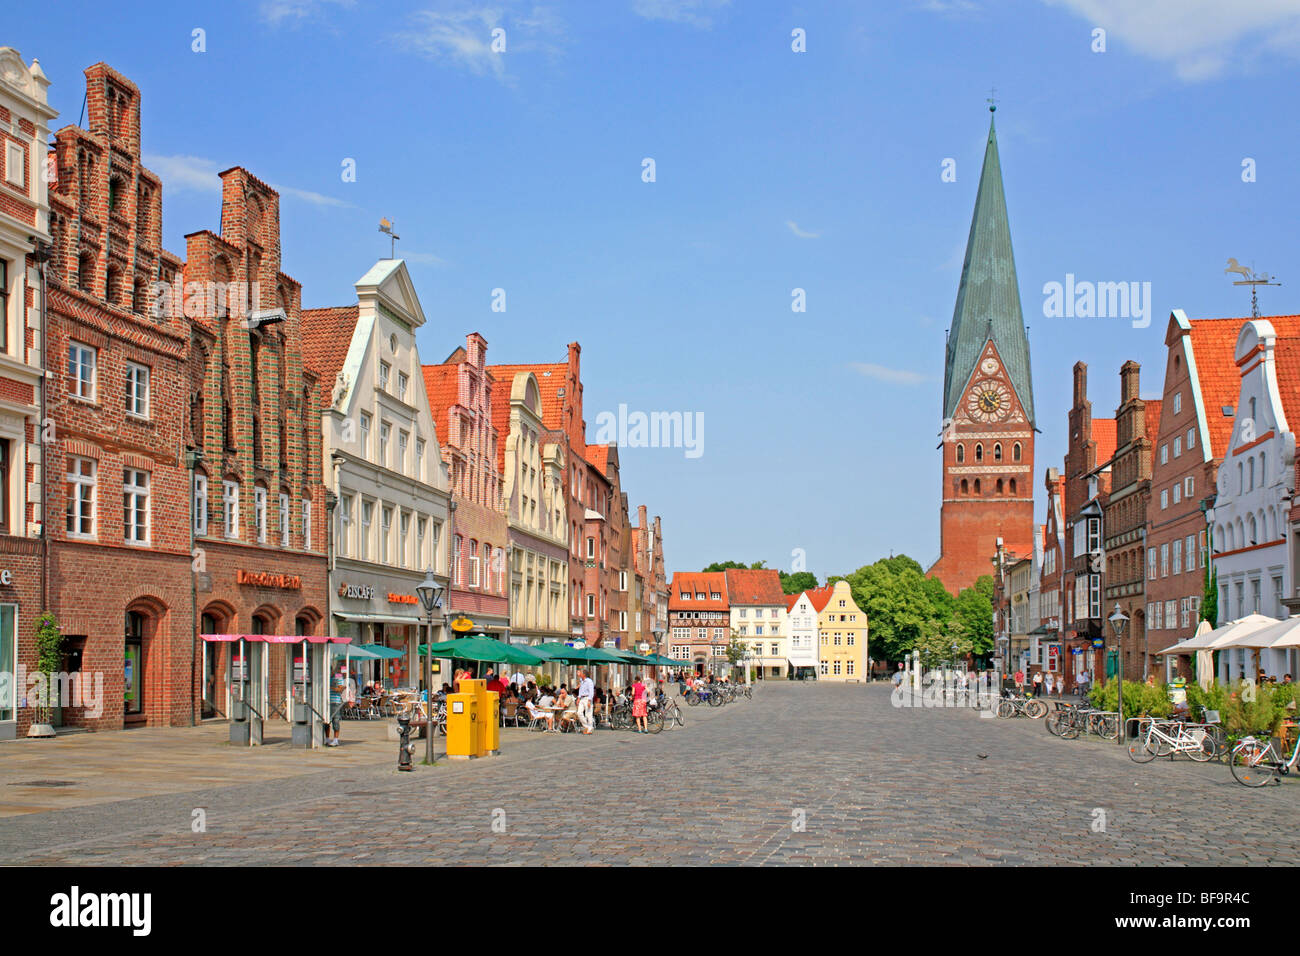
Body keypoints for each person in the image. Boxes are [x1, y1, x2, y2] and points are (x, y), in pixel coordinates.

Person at [327, 660, 349, 747]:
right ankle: (327, 738)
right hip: (327, 701)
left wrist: (331, 688)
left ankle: (336, 739)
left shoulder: (337, 678)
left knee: (335, 720)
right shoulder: (326, 679)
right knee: (326, 721)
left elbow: (340, 689)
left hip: (335, 701)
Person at [577, 668, 595, 735]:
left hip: (587, 698)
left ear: (584, 674)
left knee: (588, 714)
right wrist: (578, 697)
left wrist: (589, 700)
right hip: (582, 698)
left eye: (581, 673)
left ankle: (589, 729)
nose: (579, 674)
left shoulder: (589, 681)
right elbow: (580, 690)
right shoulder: (582, 681)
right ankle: (586, 726)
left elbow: (591, 691)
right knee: (579, 713)